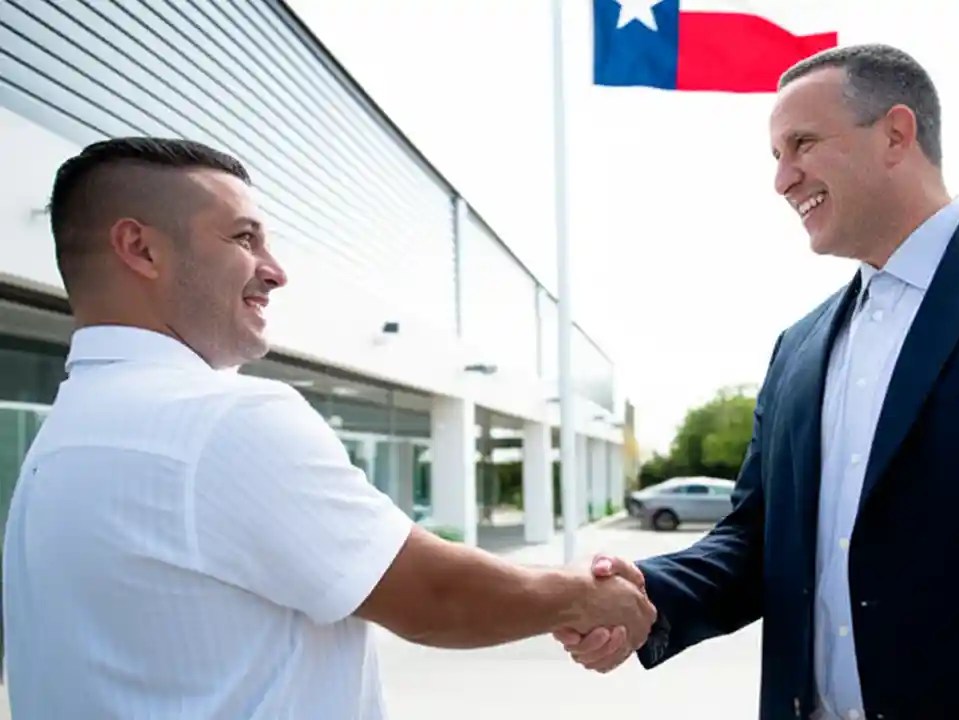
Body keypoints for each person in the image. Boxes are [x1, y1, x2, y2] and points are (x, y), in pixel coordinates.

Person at [556, 43, 959, 719]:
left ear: (896, 134)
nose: (782, 179)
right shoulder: (798, 347)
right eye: (776, 155)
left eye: (802, 144)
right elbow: (754, 540)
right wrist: (644, 592)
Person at [0, 137, 654, 719]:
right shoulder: (223, 421)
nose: (275, 270)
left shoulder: (58, 443)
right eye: (244, 238)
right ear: (141, 249)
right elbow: (434, 596)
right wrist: (580, 594)